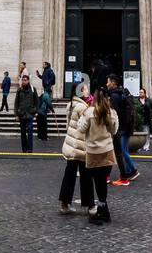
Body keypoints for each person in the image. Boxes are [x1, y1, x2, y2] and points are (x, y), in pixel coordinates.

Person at [76, 86, 118, 225]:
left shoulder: (88, 112)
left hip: (93, 152)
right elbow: (114, 130)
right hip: (107, 151)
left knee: (97, 181)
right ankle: (103, 209)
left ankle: (102, 210)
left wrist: (82, 117)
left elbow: (81, 129)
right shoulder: (110, 112)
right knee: (102, 182)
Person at [58, 83, 93, 215]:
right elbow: (86, 126)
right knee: (86, 176)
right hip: (80, 145)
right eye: (85, 88)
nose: (87, 90)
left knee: (69, 174)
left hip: (70, 144)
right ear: (81, 91)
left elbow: (68, 125)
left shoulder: (70, 105)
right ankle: (90, 205)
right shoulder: (83, 107)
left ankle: (64, 203)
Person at [106, 74, 138, 185]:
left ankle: (127, 174)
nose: (107, 84)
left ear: (113, 83)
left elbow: (114, 114)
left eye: (108, 81)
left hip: (120, 128)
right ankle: (127, 173)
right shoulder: (121, 93)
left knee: (118, 152)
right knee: (118, 151)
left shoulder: (115, 96)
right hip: (125, 126)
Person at [14, 74, 37, 153]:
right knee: (23, 133)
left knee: (30, 131)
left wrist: (35, 110)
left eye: (25, 80)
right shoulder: (19, 90)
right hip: (21, 114)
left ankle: (30, 149)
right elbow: (16, 103)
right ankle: (24, 149)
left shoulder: (33, 89)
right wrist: (16, 114)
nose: (24, 81)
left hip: (30, 114)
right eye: (23, 80)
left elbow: (37, 101)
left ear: (28, 81)